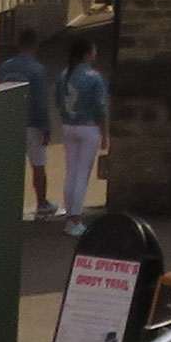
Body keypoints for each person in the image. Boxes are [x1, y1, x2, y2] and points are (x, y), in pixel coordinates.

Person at [0, 33, 57, 222]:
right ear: (35, 45)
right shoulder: (37, 70)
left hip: (10, 122)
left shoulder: (5, 67)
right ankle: (42, 204)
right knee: (38, 166)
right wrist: (46, 128)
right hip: (32, 124)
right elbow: (40, 102)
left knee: (10, 166)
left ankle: (6, 204)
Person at [57, 35, 112, 233]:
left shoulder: (64, 74)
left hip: (68, 125)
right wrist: (105, 134)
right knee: (82, 174)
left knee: (71, 172)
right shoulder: (94, 77)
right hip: (88, 128)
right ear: (88, 53)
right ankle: (76, 218)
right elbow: (101, 108)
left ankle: (70, 217)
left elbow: (58, 102)